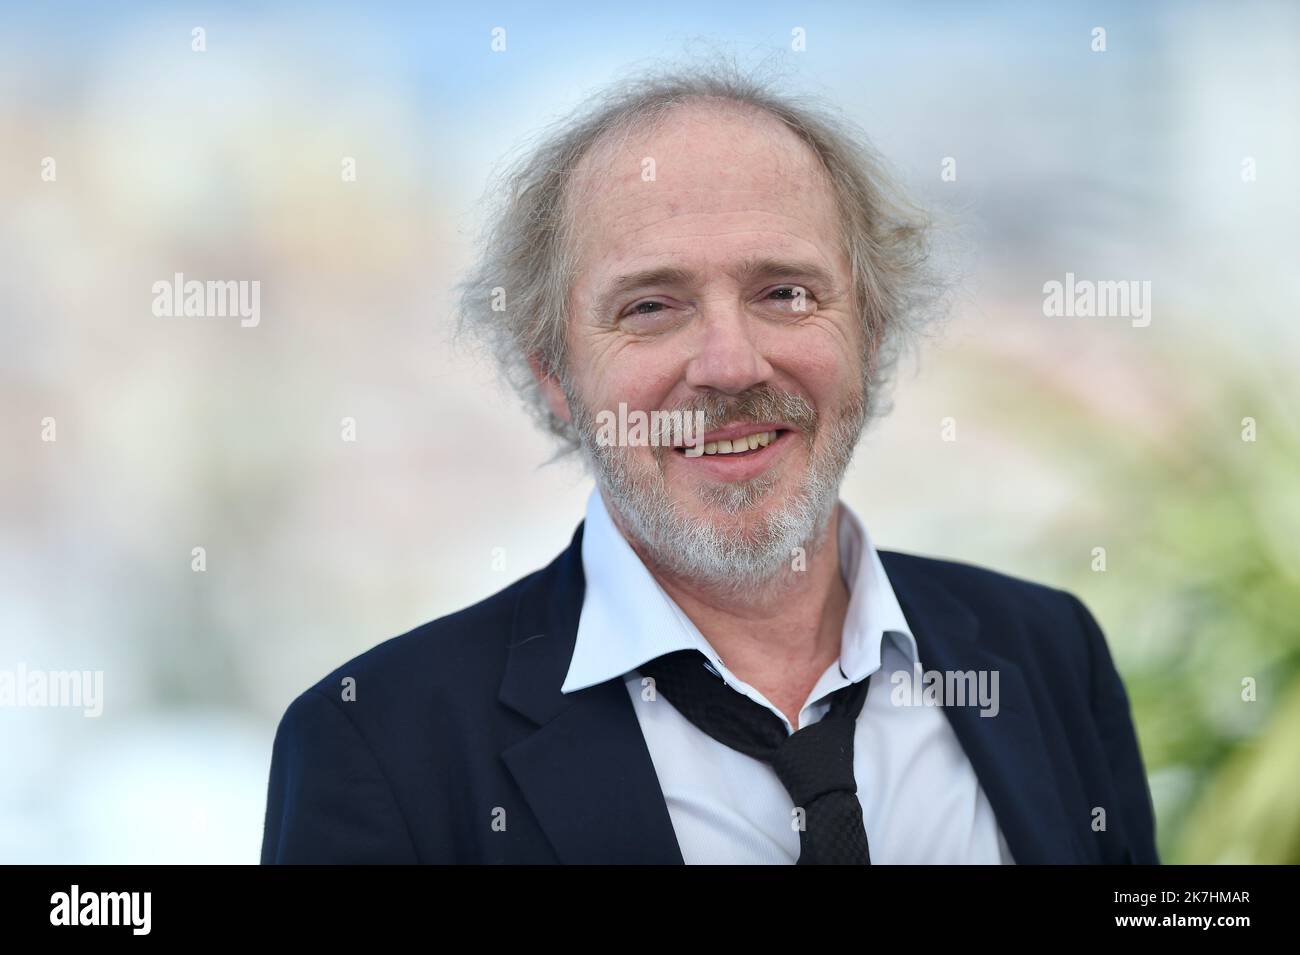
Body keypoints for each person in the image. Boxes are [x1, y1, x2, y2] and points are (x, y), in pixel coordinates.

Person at [260, 65, 1159, 864]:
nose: (731, 364)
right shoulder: (376, 744)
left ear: (871, 334)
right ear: (555, 374)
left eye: (785, 293)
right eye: (651, 306)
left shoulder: (1045, 652)